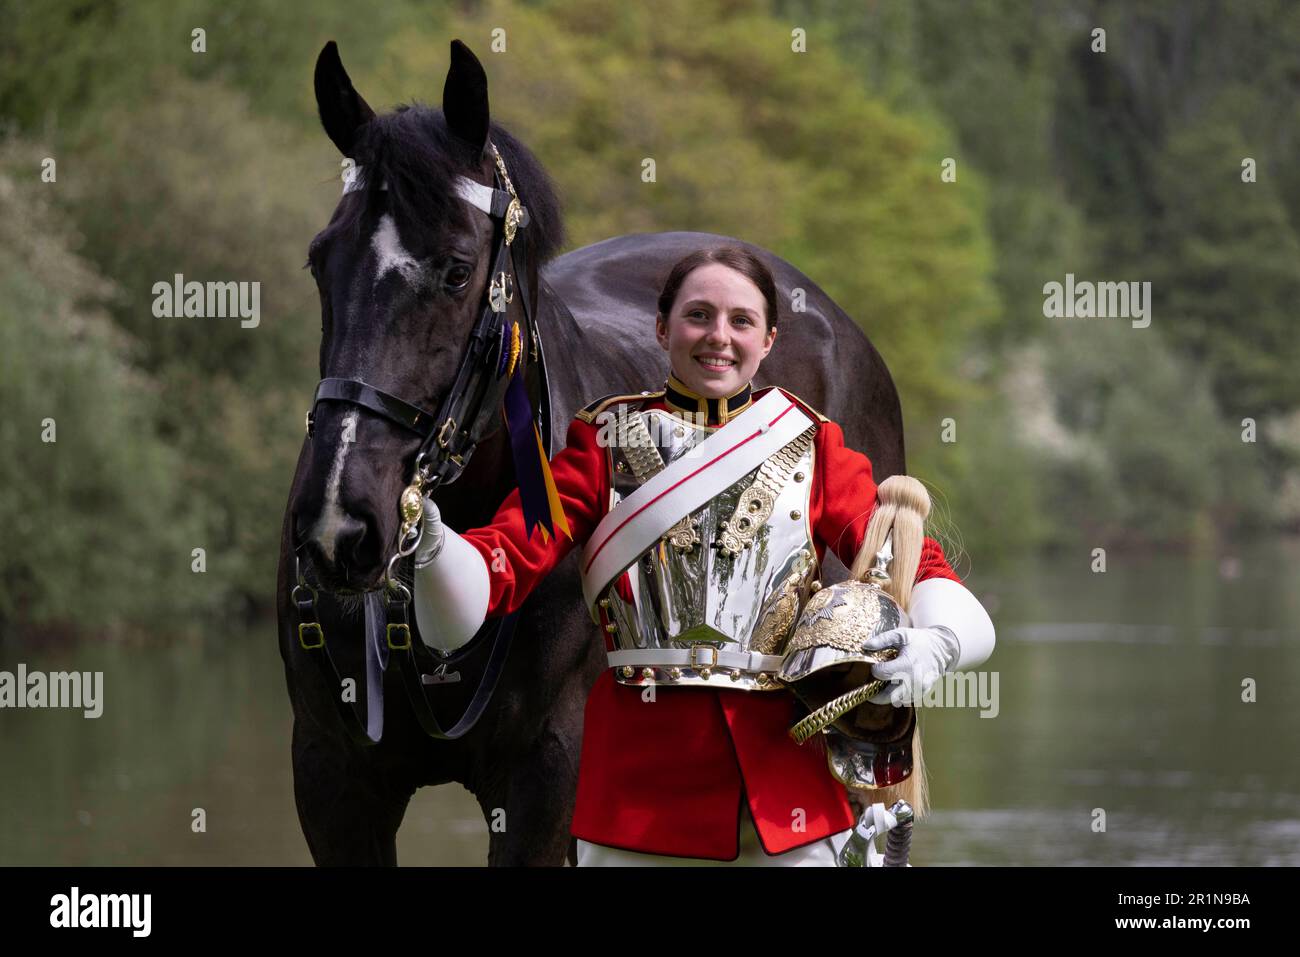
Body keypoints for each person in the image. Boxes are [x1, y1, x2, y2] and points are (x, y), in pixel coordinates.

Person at [412, 245, 995, 865]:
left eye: (741, 321)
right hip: (638, 801)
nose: (719, 336)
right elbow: (502, 562)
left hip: (787, 796)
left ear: (768, 340)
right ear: (663, 329)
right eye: (699, 316)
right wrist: (430, 542)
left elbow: (916, 563)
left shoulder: (816, 443)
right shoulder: (599, 441)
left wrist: (939, 643)